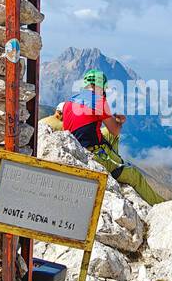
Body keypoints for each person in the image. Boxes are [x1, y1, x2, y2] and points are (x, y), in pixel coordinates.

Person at [61, 69, 164, 206]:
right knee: (135, 176)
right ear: (102, 87)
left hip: (74, 146)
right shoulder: (99, 101)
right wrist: (119, 121)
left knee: (108, 134)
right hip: (93, 153)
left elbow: (82, 123)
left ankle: (116, 160)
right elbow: (115, 130)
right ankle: (160, 205)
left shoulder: (69, 102)